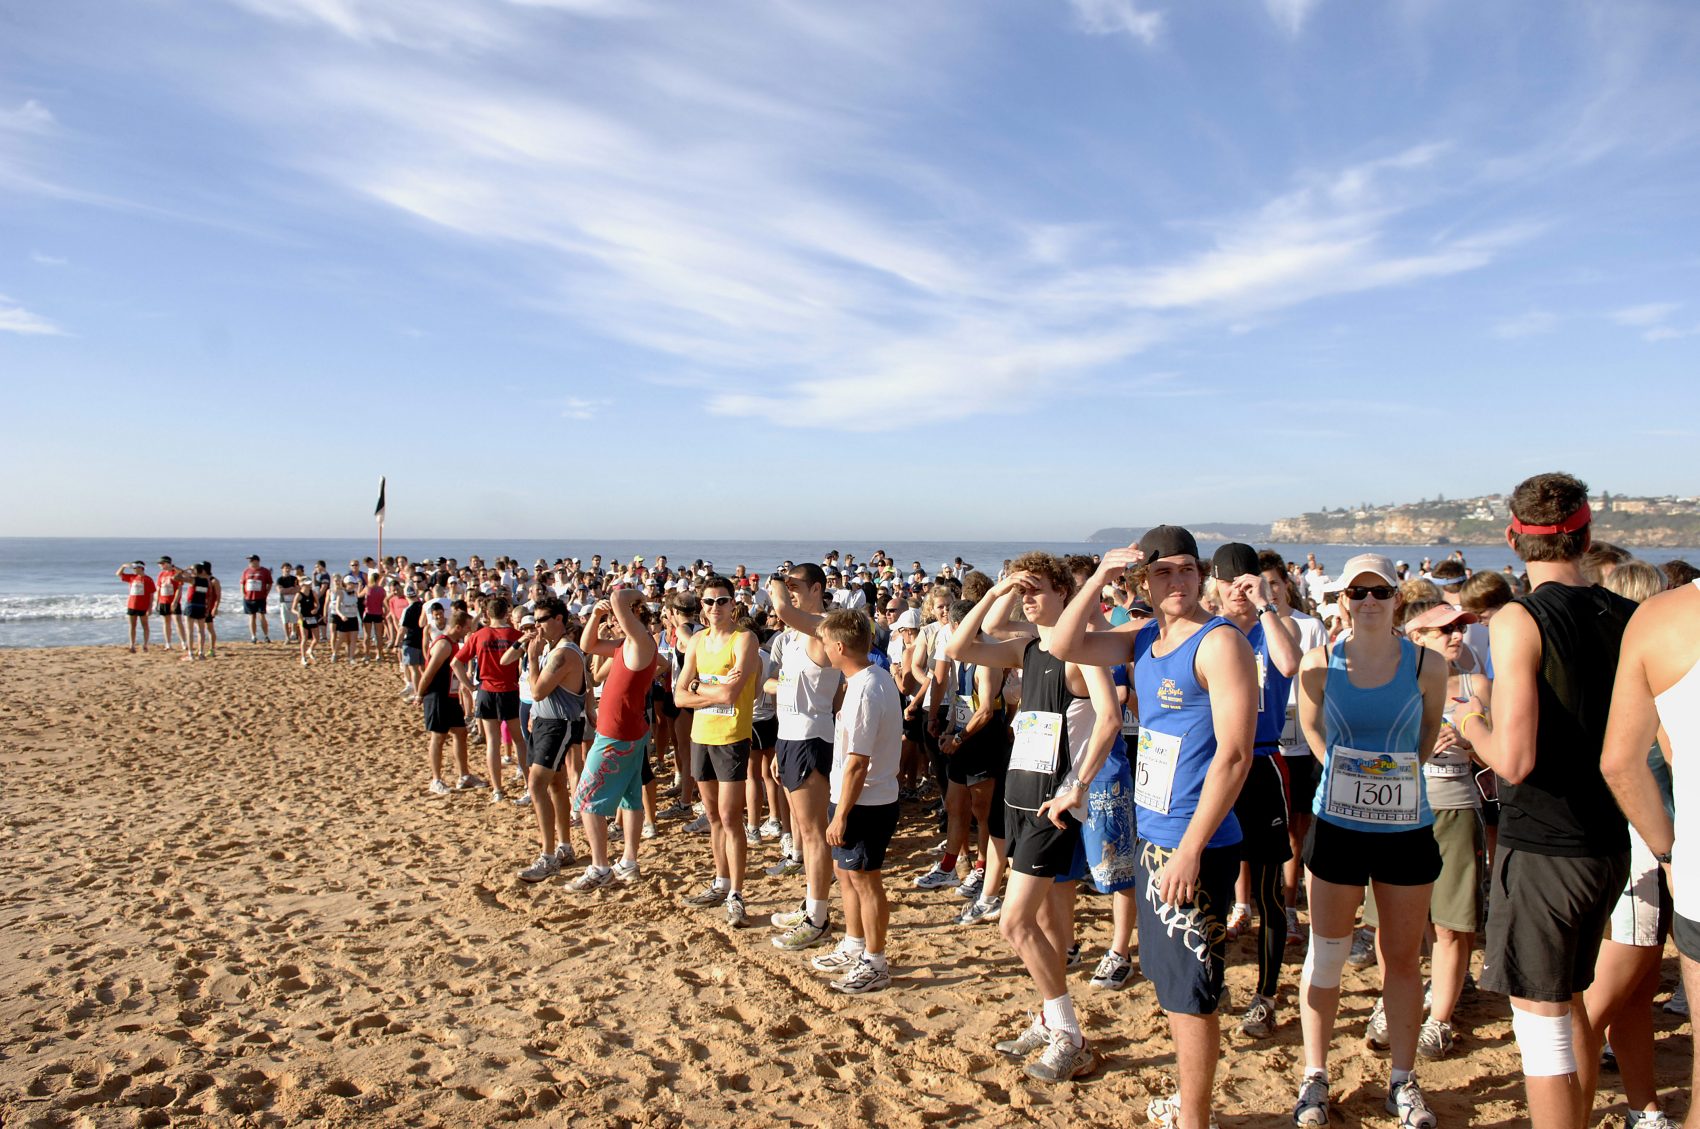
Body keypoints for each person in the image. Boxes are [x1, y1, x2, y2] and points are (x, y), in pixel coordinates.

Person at [1051, 528, 1256, 1126]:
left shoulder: (1219, 643)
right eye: (1163, 571)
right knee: (1171, 982)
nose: (1177, 581)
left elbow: (1235, 755)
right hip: (1154, 832)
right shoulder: (1144, 638)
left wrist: (1191, 848)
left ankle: (1195, 1118)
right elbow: (1064, 643)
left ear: (1202, 575)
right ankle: (1191, 1105)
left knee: (1192, 993)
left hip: (1194, 841)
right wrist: (1098, 577)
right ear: (1144, 580)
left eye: (1187, 569)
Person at [1455, 473, 1636, 1129]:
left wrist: (1467, 720)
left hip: (1544, 847)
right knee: (1572, 1001)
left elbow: (1515, 759)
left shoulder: (1520, 617)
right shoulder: (1625, 614)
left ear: (1512, 538)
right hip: (1608, 841)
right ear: (1587, 536)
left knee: (1542, 1028)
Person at [947, 551, 1120, 1084]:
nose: (1028, 599)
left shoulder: (1081, 652)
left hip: (1054, 804)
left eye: (1037, 589)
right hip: (1019, 796)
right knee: (1041, 922)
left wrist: (1078, 787)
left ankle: (1070, 1035)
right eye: (1024, 591)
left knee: (1013, 922)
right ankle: (1050, 1018)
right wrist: (996, 592)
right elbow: (960, 647)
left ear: (1064, 593)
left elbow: (1110, 718)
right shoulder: (1027, 648)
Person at [1291, 553, 1447, 1129]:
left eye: (1380, 591)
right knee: (1327, 953)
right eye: (1358, 593)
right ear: (1342, 601)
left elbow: (1426, 736)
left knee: (1401, 959)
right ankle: (1315, 1074)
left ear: (1397, 598)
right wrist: (1337, 765)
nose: (1369, 602)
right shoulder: (1319, 663)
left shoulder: (1427, 664)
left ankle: (1402, 1080)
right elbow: (1311, 726)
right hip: (1337, 827)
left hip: (1405, 829)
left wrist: (1391, 775)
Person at [1602, 561, 1699, 1129]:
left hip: (1673, 864)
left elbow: (1622, 764)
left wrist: (1670, 855)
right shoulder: (1653, 643)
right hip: (1648, 856)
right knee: (1615, 994)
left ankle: (1645, 1105)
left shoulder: (1660, 630)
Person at [1209, 543, 1303, 1039]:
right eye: (1228, 582)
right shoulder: (1210, 631)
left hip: (1263, 761)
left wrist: (1266, 604)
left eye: (1245, 580)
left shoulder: (1274, 629)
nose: (1237, 590)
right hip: (1214, 762)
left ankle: (1265, 995)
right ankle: (1213, 979)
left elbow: (1288, 665)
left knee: (1268, 892)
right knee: (1214, 886)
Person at [800, 609, 903, 994]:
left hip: (865, 801)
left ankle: (875, 962)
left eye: (827, 642)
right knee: (847, 874)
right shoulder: (871, 678)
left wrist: (841, 814)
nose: (823, 648)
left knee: (865, 879)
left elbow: (859, 762)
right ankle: (855, 944)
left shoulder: (865, 689)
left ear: (841, 647)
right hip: (858, 797)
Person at [673, 574, 762, 926]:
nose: (714, 607)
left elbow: (729, 695)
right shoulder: (697, 640)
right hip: (701, 735)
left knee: (730, 817)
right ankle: (721, 881)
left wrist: (699, 687)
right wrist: (707, 689)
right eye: (709, 601)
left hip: (732, 736)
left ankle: (737, 893)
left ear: (733, 604)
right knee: (712, 816)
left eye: (722, 601)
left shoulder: (744, 639)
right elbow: (678, 697)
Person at [764, 566, 846, 951]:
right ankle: (811, 904)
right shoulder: (795, 635)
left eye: (796, 586)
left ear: (817, 588)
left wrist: (776, 581)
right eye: (788, 586)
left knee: (814, 834)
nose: (790, 591)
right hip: (792, 737)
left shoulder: (823, 626)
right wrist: (780, 747)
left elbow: (782, 607)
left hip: (812, 738)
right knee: (804, 829)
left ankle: (818, 918)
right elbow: (787, 690)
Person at [570, 589, 659, 889]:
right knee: (631, 797)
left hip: (617, 734)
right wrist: (596, 615)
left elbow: (620, 597)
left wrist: (639, 595)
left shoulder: (639, 641)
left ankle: (600, 867)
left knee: (587, 800)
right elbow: (588, 645)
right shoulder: (627, 645)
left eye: (616, 619)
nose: (613, 622)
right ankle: (628, 862)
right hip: (627, 730)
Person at [514, 595, 586, 883]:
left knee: (536, 785)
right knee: (555, 784)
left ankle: (548, 856)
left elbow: (538, 691)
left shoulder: (562, 653)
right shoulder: (553, 648)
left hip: (558, 724)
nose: (537, 626)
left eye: (542, 620)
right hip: (547, 722)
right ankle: (564, 847)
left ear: (559, 619)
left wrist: (532, 659)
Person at [458, 592, 529, 803]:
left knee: (492, 742)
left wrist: (469, 685)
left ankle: (497, 789)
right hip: (510, 690)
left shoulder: (479, 635)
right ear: (507, 613)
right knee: (519, 741)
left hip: (487, 690)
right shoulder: (516, 634)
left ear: (487, 614)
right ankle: (528, 785)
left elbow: (456, 662)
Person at [418, 608, 476, 795]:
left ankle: (464, 775)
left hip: (450, 696)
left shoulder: (453, 643)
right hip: (437, 695)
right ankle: (436, 779)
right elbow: (429, 672)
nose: (469, 631)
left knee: (460, 732)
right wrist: (419, 694)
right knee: (438, 737)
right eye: (467, 627)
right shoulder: (444, 645)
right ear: (458, 627)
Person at [116, 561, 155, 653]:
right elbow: (118, 574)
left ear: (141, 568)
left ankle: (145, 645)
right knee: (132, 626)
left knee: (145, 625)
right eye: (133, 568)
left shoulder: (148, 579)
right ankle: (132, 645)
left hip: (143, 606)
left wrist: (150, 608)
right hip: (132, 605)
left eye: (135, 568)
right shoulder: (132, 577)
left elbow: (151, 594)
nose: (133, 570)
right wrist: (123, 566)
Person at [327, 575, 363, 664]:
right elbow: (337, 608)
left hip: (353, 618)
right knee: (341, 638)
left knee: (353, 639)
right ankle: (334, 653)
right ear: (346, 584)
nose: (353, 585)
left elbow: (358, 600)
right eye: (351, 583)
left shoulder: (354, 593)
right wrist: (342, 616)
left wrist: (360, 585)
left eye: (354, 584)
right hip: (345, 618)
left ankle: (351, 657)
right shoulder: (341, 593)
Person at [240, 555, 273, 644]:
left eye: (251, 560)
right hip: (248, 597)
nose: (250, 562)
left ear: (257, 561)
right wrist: (243, 594)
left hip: (260, 597)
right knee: (252, 617)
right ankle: (253, 636)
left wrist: (267, 593)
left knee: (262, 616)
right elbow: (242, 583)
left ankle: (266, 636)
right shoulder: (246, 571)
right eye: (249, 561)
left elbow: (270, 583)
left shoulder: (264, 571)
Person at [155, 556, 183, 651]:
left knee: (178, 621)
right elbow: (158, 588)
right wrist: (157, 602)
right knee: (166, 622)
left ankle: (183, 642)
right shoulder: (161, 574)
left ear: (167, 563)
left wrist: (175, 601)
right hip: (163, 601)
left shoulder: (175, 573)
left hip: (173, 601)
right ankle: (168, 644)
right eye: (160, 564)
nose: (160, 565)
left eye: (162, 563)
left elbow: (179, 588)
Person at [294, 578, 321, 665]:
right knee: (304, 638)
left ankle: (310, 650)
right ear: (302, 585)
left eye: (310, 584)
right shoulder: (299, 595)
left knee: (316, 638)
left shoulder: (313, 593)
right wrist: (298, 613)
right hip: (303, 618)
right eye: (307, 584)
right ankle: (303, 657)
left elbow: (318, 604)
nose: (309, 585)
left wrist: (316, 609)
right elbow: (293, 608)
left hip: (312, 617)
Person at [275, 563, 301, 645]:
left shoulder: (294, 579)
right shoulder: (280, 579)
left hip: (293, 601)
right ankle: (287, 637)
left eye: (289, 568)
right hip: (284, 602)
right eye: (285, 568)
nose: (287, 570)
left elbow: (298, 589)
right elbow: (280, 591)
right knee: (285, 620)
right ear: (282, 569)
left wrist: (287, 590)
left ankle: (295, 635)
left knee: (295, 620)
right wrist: (291, 588)